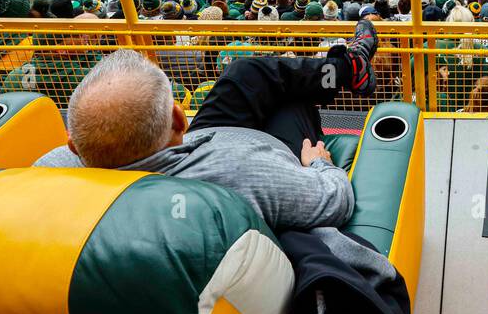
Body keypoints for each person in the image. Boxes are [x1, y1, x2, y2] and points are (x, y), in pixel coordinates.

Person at [35, 21, 380, 233]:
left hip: (196, 148)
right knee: (293, 98)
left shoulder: (48, 173)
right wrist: (318, 164)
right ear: (178, 120)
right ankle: (350, 65)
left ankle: (349, 67)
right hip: (241, 152)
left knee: (245, 73)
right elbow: (336, 201)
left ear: (74, 145)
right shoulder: (244, 175)